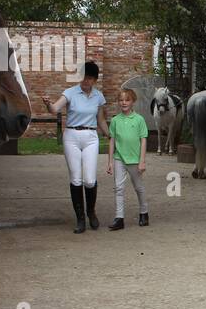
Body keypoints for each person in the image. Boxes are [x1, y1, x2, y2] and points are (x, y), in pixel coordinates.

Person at [43, 61, 109, 233]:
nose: (86, 81)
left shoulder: (99, 97)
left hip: (91, 137)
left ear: (95, 80)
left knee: (89, 179)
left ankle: (91, 212)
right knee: (76, 178)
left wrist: (109, 134)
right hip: (71, 136)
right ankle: (80, 219)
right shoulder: (70, 93)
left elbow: (101, 119)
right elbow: (54, 109)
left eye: (90, 78)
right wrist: (48, 104)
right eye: (84, 77)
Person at [106, 87, 149, 230]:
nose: (124, 102)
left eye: (127, 100)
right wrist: (110, 161)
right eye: (121, 100)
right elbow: (112, 141)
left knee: (138, 187)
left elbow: (143, 140)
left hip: (135, 160)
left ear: (133, 102)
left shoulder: (139, 120)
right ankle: (119, 218)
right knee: (118, 188)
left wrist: (142, 160)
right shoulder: (115, 121)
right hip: (119, 158)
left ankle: (144, 212)